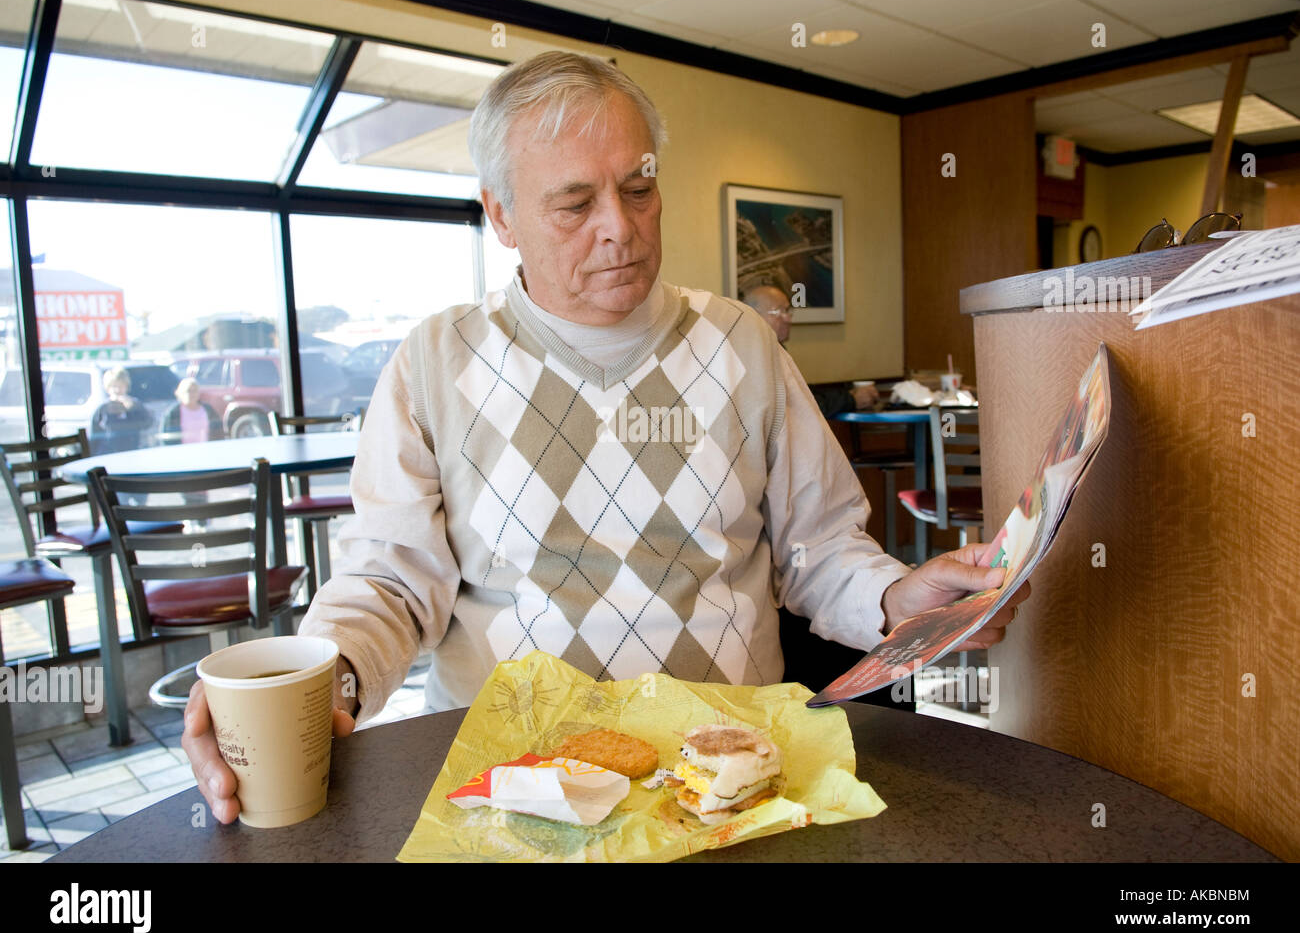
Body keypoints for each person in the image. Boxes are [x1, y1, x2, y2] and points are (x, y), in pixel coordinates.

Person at [184, 51, 1029, 824]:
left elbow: (816, 549)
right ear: (501, 216)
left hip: (726, 790)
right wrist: (316, 681)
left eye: (638, 187)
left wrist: (892, 600)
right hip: (516, 793)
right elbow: (390, 582)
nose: (619, 227)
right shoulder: (436, 362)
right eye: (574, 203)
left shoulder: (741, 346)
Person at [741, 284, 876, 417]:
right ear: (754, 317)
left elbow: (802, 393)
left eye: (788, 311)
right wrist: (851, 400)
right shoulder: (754, 357)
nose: (788, 319)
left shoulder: (775, 349)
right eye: (779, 311)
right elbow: (797, 407)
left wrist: (847, 395)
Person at [159, 377, 223, 511]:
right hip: (183, 459)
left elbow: (218, 431)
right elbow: (166, 438)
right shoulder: (173, 413)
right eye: (187, 391)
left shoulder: (207, 410)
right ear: (179, 393)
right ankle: (190, 517)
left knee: (202, 488)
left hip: (203, 457)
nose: (191, 394)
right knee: (187, 489)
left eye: (194, 391)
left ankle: (203, 519)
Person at [88, 366, 154, 456]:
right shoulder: (102, 408)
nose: (118, 390)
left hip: (133, 452)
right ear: (107, 388)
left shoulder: (136, 405)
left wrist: (132, 408)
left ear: (127, 386)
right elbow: (94, 436)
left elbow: (148, 423)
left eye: (121, 386)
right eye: (114, 386)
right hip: (108, 454)